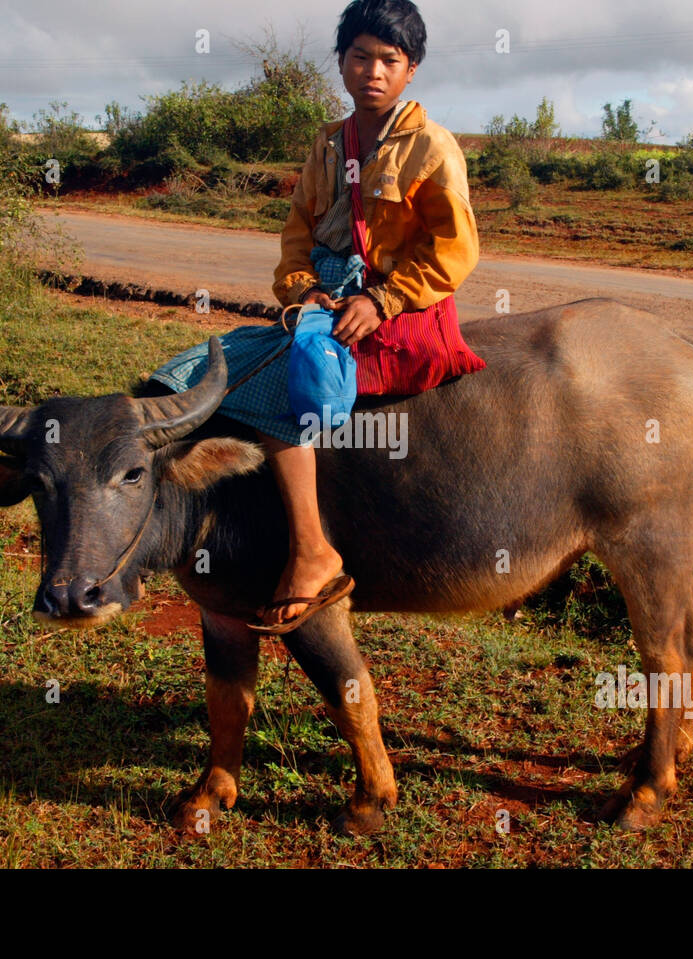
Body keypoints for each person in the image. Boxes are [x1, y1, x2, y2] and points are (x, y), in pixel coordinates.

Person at [151, 0, 484, 632]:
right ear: (341, 62)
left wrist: (381, 299)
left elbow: (454, 247)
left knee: (283, 389)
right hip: (321, 302)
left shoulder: (432, 146)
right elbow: (299, 230)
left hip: (397, 301)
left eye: (389, 60)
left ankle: (311, 549)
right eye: (360, 57)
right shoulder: (330, 143)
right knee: (197, 369)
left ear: (412, 69)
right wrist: (301, 288)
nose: (373, 72)